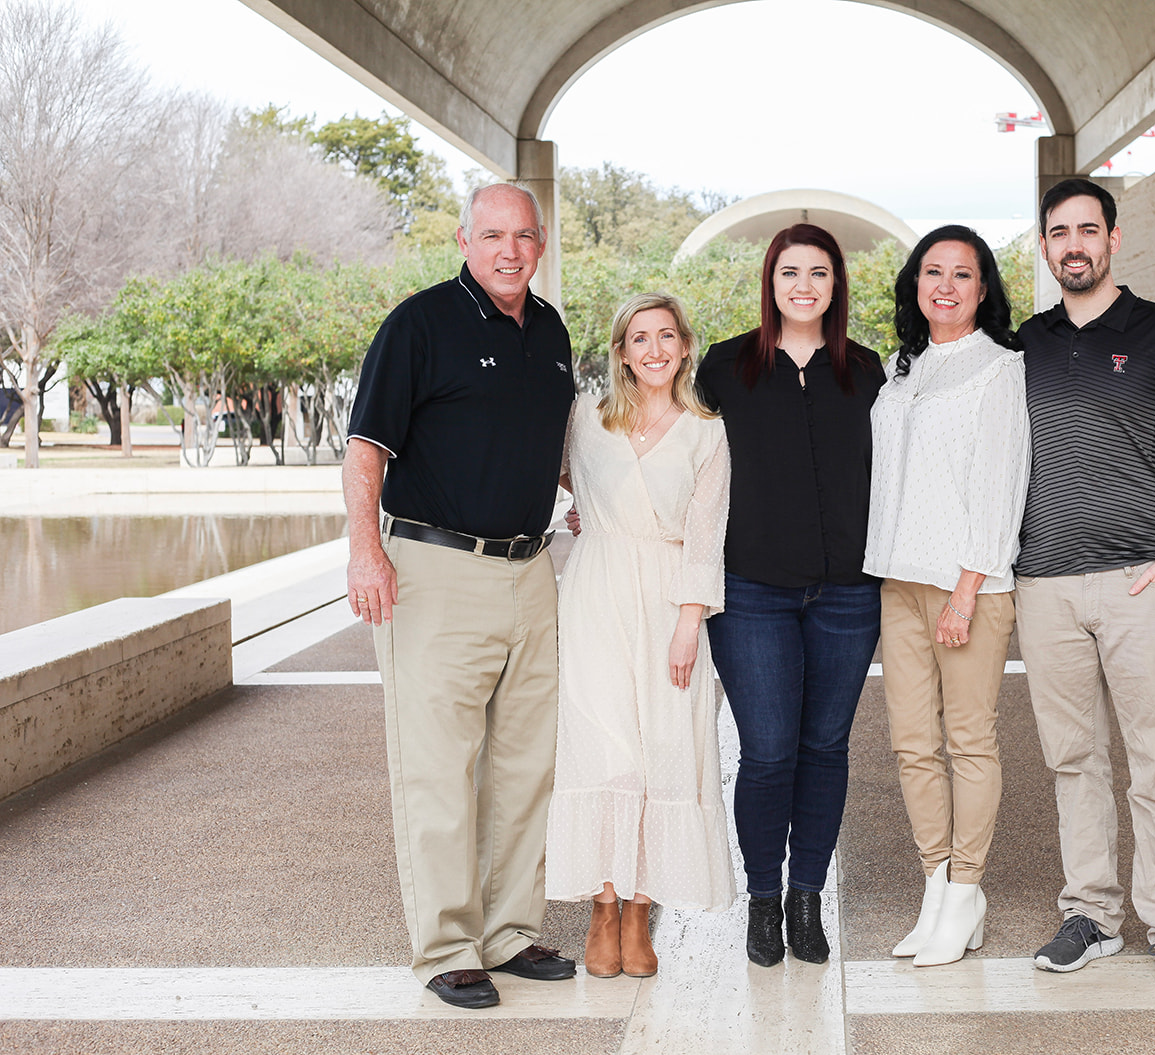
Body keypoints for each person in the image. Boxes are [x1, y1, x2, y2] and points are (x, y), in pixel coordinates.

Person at [343, 182, 577, 1009]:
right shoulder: (420, 324)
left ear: (539, 243)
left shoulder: (549, 331)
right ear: (463, 239)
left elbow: (548, 442)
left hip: (529, 569)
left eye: (522, 235)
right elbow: (366, 448)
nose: (509, 250)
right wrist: (364, 550)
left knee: (524, 766)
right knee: (440, 768)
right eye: (492, 235)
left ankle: (510, 932)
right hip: (435, 572)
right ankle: (447, 944)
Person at [1016, 178, 1155, 989]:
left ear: (1112, 240)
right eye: (1059, 232)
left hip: (1141, 579)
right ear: (1044, 246)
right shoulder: (1023, 343)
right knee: (1073, 760)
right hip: (1045, 584)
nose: (1074, 243)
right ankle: (1093, 914)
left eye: (1088, 230)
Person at [696, 224, 886, 967]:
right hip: (751, 590)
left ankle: (808, 898)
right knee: (769, 751)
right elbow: (681, 450)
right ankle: (763, 899)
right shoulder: (725, 366)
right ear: (769, 282)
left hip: (847, 593)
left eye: (818, 272)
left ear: (836, 284)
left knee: (824, 746)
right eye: (789, 272)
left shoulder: (867, 371)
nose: (803, 285)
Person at [545, 293, 735, 979]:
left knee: (665, 747)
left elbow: (707, 531)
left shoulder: (707, 430)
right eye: (638, 337)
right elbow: (564, 478)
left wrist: (690, 623)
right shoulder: (586, 420)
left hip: (668, 599)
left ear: (684, 345)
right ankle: (602, 901)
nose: (653, 349)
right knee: (602, 744)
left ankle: (641, 907)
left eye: (665, 336)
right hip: (596, 590)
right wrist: (589, 517)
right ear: (621, 350)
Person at [863, 225, 1029, 967]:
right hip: (899, 578)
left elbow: (1002, 484)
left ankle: (966, 890)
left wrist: (965, 592)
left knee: (968, 739)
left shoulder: (1001, 369)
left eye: (962, 274)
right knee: (910, 743)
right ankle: (937, 884)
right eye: (933, 271)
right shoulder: (904, 368)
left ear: (983, 288)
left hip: (969, 583)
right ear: (916, 283)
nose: (946, 286)